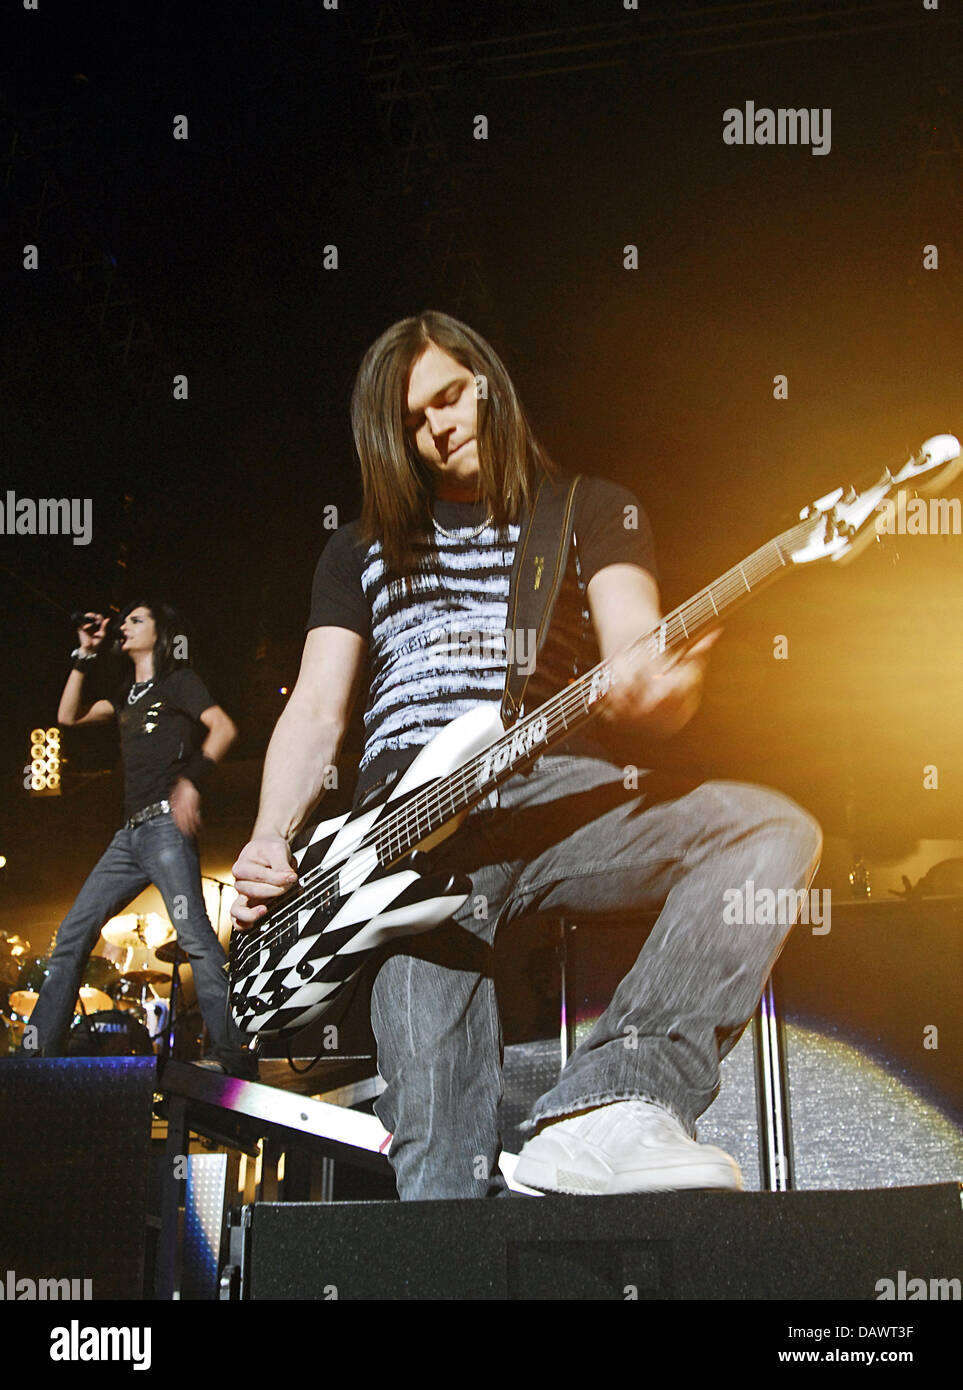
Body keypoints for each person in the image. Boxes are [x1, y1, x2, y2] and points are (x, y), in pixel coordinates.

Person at [231, 312, 822, 1197]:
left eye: (448, 395)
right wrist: (271, 835)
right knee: (435, 1149)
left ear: (486, 382)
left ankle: (612, 1100)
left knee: (768, 834)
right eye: (411, 421)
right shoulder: (355, 548)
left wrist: (659, 695)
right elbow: (318, 706)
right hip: (398, 836)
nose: (438, 426)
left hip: (552, 789)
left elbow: (637, 651)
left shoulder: (589, 508)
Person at [27, 599, 258, 1078]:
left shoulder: (179, 682)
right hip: (127, 837)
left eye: (137, 620)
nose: (126, 627)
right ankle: (36, 1056)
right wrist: (83, 653)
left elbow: (223, 727)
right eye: (125, 621)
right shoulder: (123, 694)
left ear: (160, 631)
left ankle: (235, 1057)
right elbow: (66, 718)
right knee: (72, 933)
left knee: (195, 935)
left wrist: (192, 781)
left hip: (165, 830)